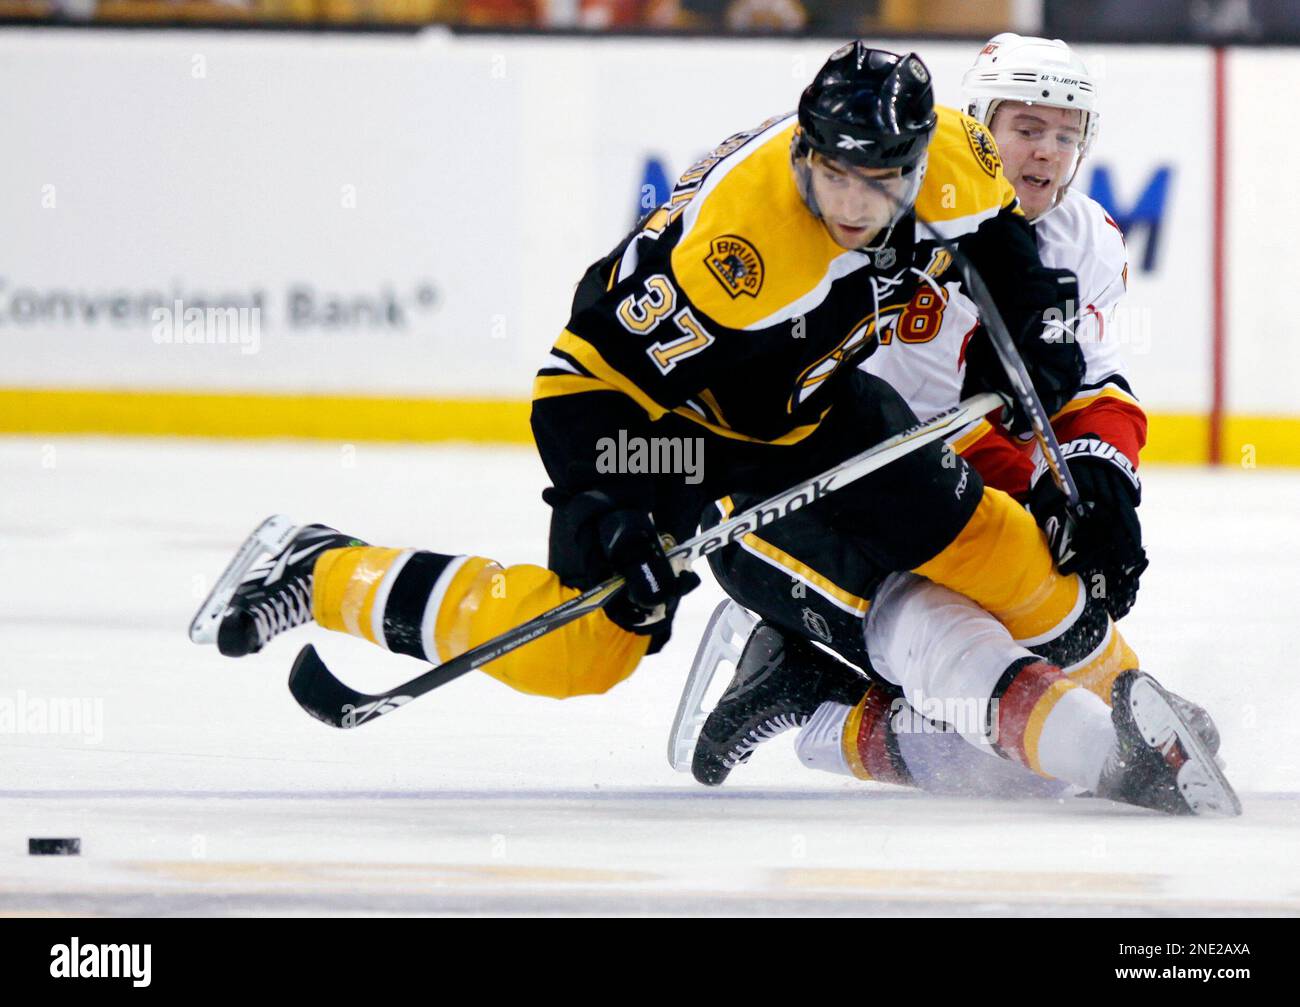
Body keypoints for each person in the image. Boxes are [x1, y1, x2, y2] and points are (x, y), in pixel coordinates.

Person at [193, 42, 1225, 813]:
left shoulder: (952, 155)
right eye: (836, 176)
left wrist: (1039, 360)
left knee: (1003, 542)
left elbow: (1000, 242)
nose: (859, 205)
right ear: (806, 149)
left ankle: (1140, 709)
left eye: (885, 182)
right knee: (585, 652)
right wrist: (605, 512)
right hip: (693, 439)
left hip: (823, 406)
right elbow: (582, 388)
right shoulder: (734, 250)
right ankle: (322, 566)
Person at [684, 35, 1234, 815]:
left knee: (1022, 760)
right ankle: (829, 701)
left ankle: (826, 709)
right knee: (956, 652)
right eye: (1026, 128)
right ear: (976, 126)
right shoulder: (889, 207)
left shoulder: (1088, 236)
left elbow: (1091, 385)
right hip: (841, 480)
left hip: (954, 476)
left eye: (1066, 134)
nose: (1046, 153)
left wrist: (1098, 483)